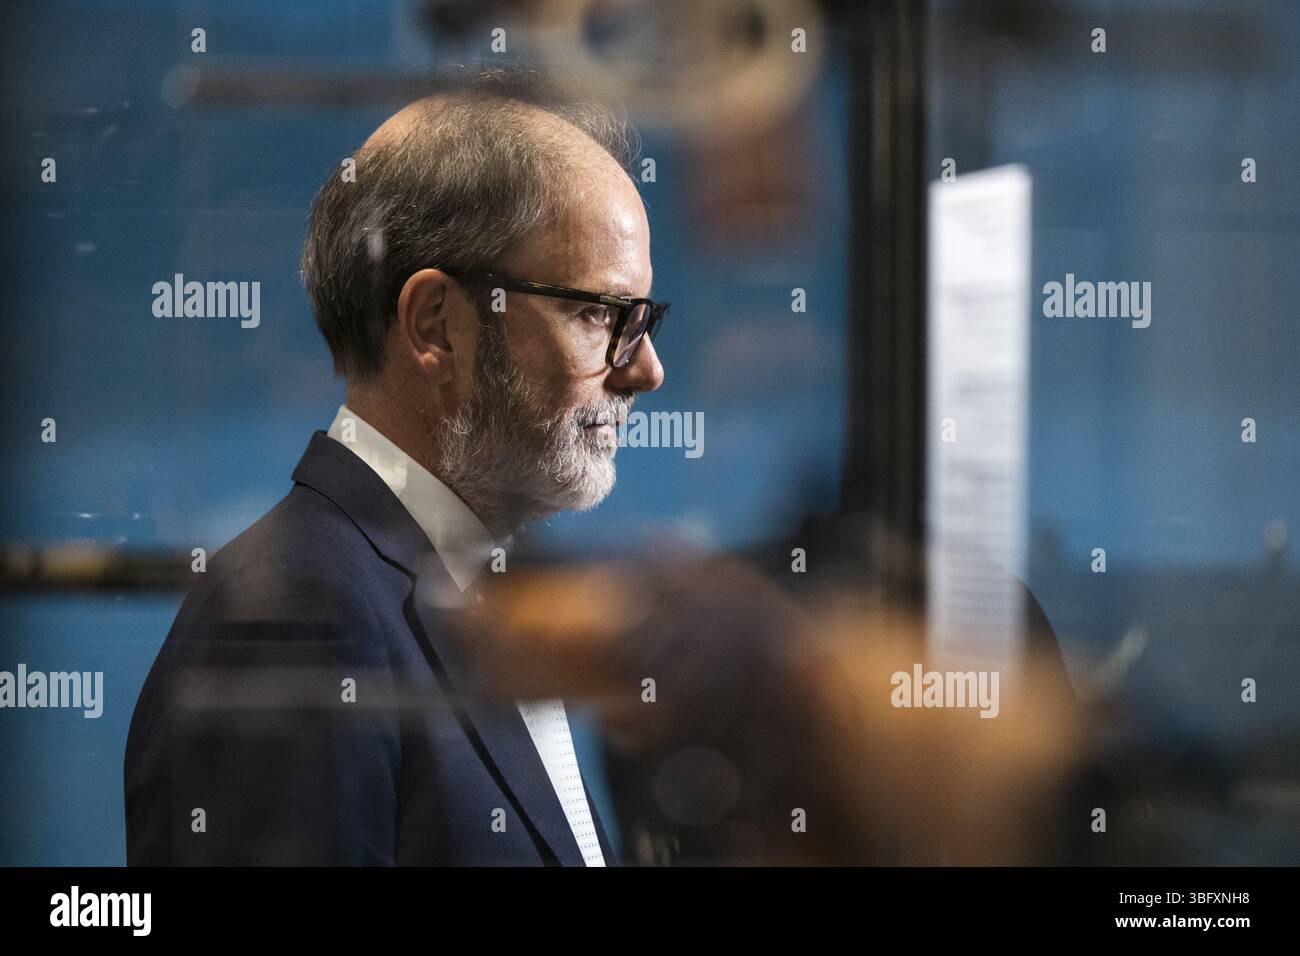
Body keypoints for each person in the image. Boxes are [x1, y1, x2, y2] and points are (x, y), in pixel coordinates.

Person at [123, 68, 667, 865]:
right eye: (600, 314)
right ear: (436, 325)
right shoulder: (292, 624)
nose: (646, 369)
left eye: (642, 319)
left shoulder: (454, 594)